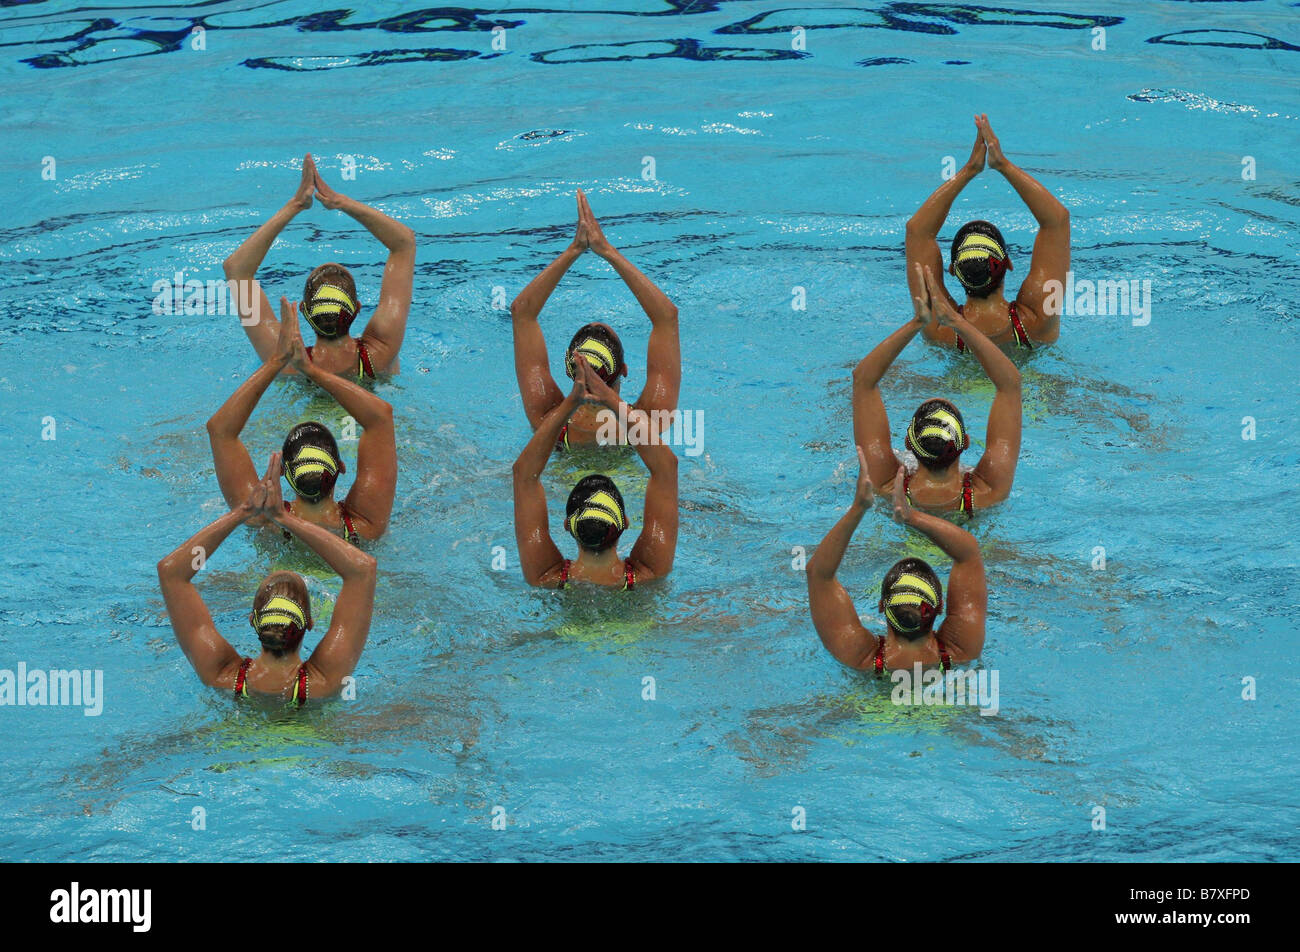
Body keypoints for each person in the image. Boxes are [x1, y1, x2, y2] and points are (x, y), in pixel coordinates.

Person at [157, 453, 378, 705]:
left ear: (253, 620)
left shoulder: (221, 675)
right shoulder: (323, 683)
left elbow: (171, 572)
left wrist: (244, 512)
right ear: (309, 623)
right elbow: (363, 568)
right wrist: (284, 519)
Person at [206, 299, 396, 543]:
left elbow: (219, 429)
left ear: (283, 472)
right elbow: (380, 417)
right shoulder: (365, 526)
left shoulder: (262, 521)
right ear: (340, 467)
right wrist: (311, 371)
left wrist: (277, 361)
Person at [511, 190, 680, 450]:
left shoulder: (548, 421)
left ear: (571, 369)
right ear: (623, 369)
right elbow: (666, 317)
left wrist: (574, 249)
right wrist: (607, 250)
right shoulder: (647, 424)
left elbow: (522, 313)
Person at [223, 153, 415, 381]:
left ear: (303, 311)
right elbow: (404, 243)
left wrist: (295, 205)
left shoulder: (285, 361)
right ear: (356, 309)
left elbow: (236, 269)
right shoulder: (381, 352)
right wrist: (340, 201)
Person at [853, 264, 1021, 516]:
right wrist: (956, 321)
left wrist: (917, 323)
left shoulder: (886, 487)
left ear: (909, 443)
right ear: (964, 442)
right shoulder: (987, 492)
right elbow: (1010, 383)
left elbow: (863, 380)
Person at [807, 447, 986, 674]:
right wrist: (911, 517)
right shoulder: (961, 652)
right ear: (939, 608)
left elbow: (818, 574)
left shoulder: (860, 658)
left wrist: (858, 508)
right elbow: (969, 552)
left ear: (882, 607)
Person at [905, 114, 1069, 351]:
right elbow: (1057, 222)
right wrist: (1002, 164)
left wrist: (969, 170)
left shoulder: (941, 330)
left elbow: (918, 232)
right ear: (1008, 264)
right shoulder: (1037, 322)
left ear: (953, 271)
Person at [513, 359, 678, 588]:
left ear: (568, 526)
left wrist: (571, 403)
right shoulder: (649, 573)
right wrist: (609, 398)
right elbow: (666, 467)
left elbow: (523, 474)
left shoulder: (544, 577)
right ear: (626, 523)